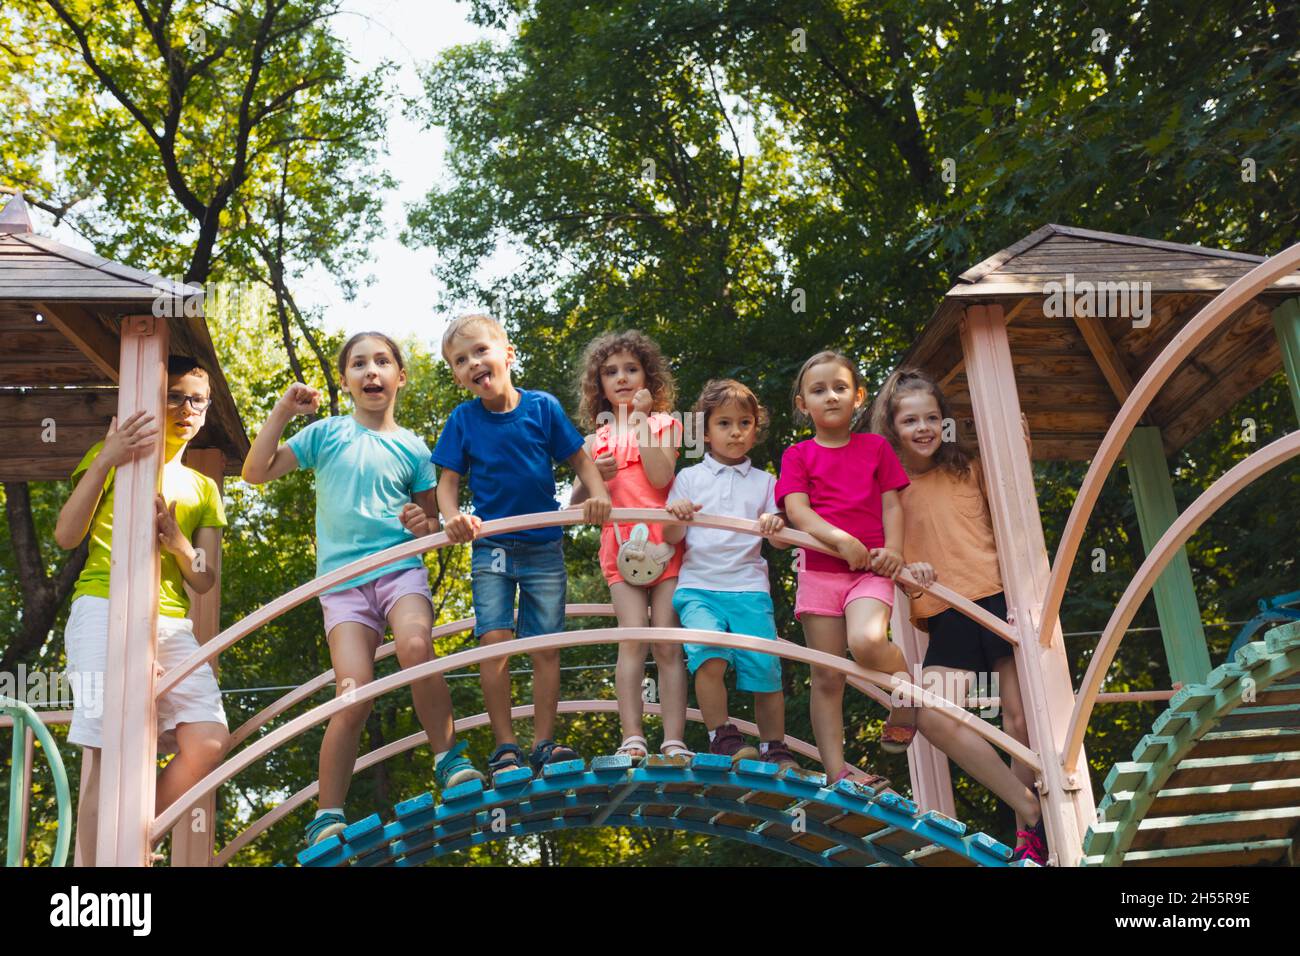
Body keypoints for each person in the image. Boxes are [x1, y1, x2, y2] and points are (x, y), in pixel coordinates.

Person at [242, 332, 483, 847]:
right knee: (352, 695)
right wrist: (283, 411)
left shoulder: (415, 446)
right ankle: (327, 814)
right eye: (358, 364)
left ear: (400, 376)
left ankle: (449, 759)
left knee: (418, 648)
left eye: (381, 362)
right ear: (346, 381)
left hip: (399, 571)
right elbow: (254, 472)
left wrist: (423, 521)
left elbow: (431, 527)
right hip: (344, 587)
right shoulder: (325, 435)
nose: (370, 371)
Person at [402, 314, 611, 780]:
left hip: (542, 547)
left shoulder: (542, 408)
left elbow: (581, 458)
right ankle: (505, 747)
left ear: (507, 354)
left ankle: (544, 742)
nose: (473, 363)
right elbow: (447, 483)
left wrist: (598, 494)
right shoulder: (464, 420)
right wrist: (454, 516)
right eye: (461, 360)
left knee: (546, 647)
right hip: (491, 547)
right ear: (457, 376)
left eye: (481, 351)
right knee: (493, 643)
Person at [55, 356, 230, 864]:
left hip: (171, 622)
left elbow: (203, 577)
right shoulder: (110, 457)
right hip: (102, 608)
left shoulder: (204, 488)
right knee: (108, 755)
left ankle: (131, 840)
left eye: (196, 400)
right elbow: (67, 535)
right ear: (154, 400)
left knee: (209, 739)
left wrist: (178, 543)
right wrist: (109, 455)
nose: (185, 408)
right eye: (174, 395)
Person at [871, 366, 1046, 864]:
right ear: (892, 428)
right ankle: (1030, 812)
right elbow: (882, 554)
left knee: (1020, 723)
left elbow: (1014, 493)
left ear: (945, 422)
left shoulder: (965, 467)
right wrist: (906, 566)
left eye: (932, 417)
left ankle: (1029, 843)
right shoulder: (891, 492)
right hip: (949, 612)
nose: (923, 428)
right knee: (930, 714)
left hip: (998, 600)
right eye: (910, 421)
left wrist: (1018, 435)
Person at [775, 350, 907, 787]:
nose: (830, 396)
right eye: (818, 390)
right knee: (827, 676)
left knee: (867, 642)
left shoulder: (876, 447)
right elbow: (797, 511)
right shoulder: (798, 454)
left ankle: (905, 684)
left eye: (839, 388)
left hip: (869, 570)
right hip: (819, 575)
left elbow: (893, 502)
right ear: (802, 404)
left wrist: (893, 550)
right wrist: (840, 539)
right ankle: (837, 773)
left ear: (858, 397)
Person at [663, 379, 797, 770]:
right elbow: (670, 538)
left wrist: (776, 523)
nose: (735, 431)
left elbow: (782, 544)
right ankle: (722, 736)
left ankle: (775, 746)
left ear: (756, 429)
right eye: (723, 424)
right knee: (709, 660)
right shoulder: (688, 479)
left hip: (749, 588)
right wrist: (678, 515)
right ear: (705, 432)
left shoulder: (766, 483)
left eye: (744, 423)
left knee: (765, 669)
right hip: (699, 587)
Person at [570, 330, 689, 762]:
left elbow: (660, 478)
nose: (621, 378)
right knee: (633, 639)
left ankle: (674, 739)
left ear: (648, 377)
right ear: (598, 384)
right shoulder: (590, 442)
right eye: (610, 371)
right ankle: (633, 736)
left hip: (667, 549)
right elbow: (575, 504)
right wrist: (592, 477)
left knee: (668, 643)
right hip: (620, 552)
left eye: (631, 369)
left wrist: (640, 422)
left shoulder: (665, 424)